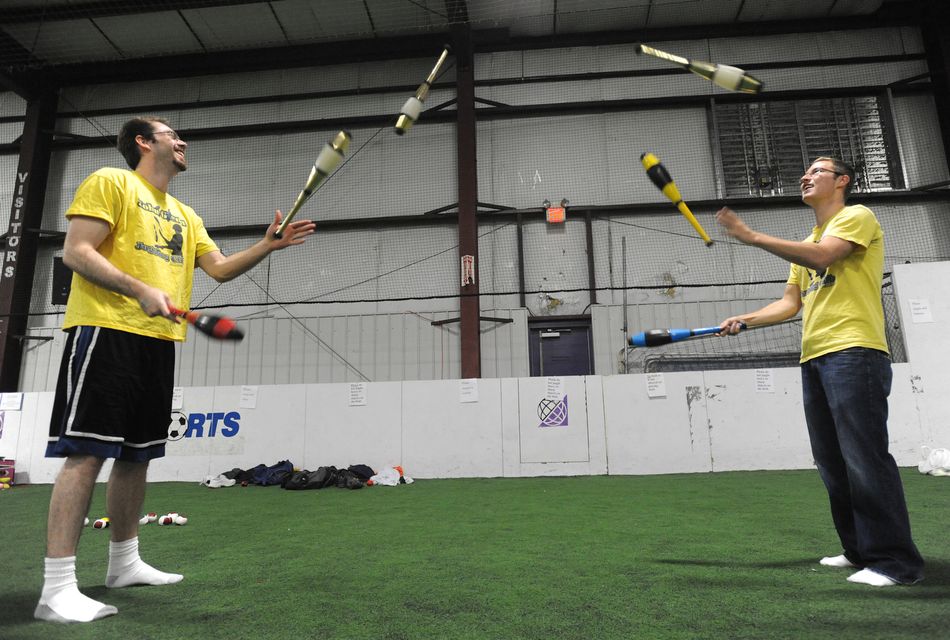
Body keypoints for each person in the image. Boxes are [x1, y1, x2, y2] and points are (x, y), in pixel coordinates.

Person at [36, 117, 316, 623]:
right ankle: (56, 589)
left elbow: (220, 268)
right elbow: (75, 252)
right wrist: (139, 289)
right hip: (106, 331)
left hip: (160, 341)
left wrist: (268, 245)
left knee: (137, 456)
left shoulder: (186, 214)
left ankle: (124, 564)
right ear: (144, 143)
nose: (182, 141)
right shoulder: (111, 181)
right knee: (85, 455)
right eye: (170, 135)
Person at [715, 157, 924, 587]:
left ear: (842, 181)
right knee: (832, 462)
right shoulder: (805, 243)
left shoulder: (856, 218)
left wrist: (751, 237)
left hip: (855, 352)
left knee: (864, 459)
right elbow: (791, 304)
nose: (805, 176)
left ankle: (894, 563)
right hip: (814, 358)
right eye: (804, 172)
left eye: (818, 171)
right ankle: (859, 550)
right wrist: (746, 319)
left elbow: (827, 255)